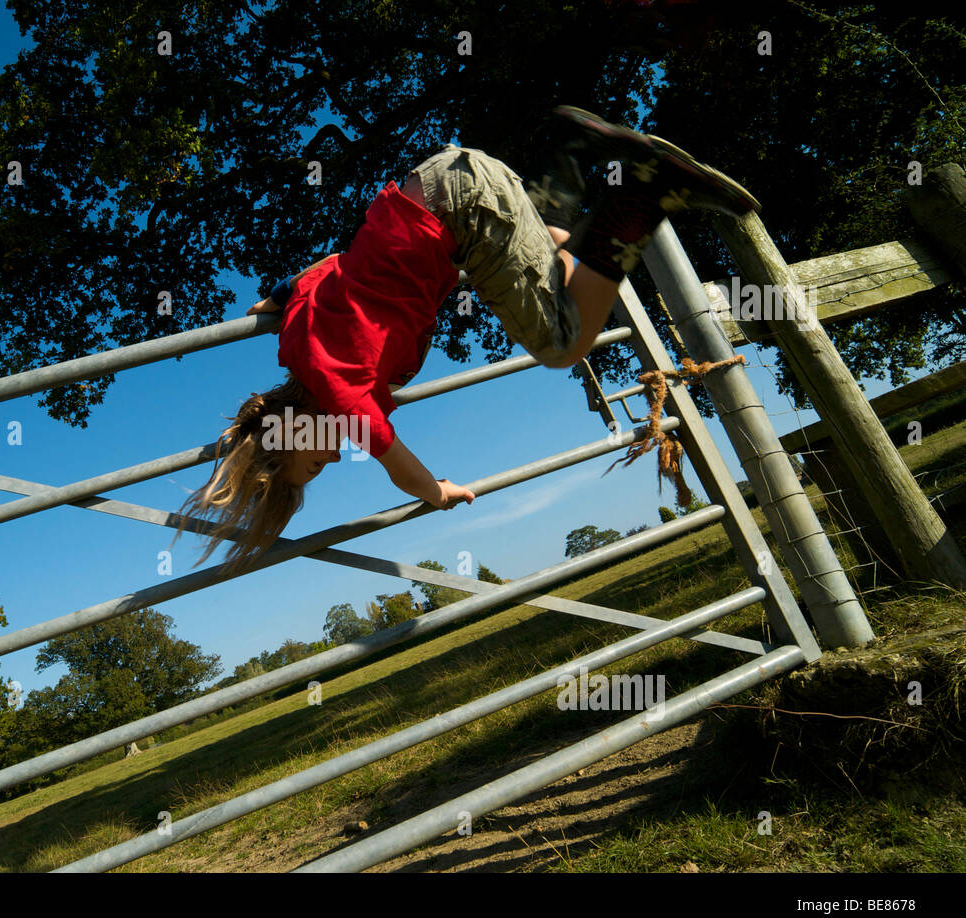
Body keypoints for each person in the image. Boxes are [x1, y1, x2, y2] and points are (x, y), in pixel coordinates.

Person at [170, 106, 758, 573]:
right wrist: (271, 299)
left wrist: (436, 492)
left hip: (464, 211)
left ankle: (643, 196)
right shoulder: (297, 341)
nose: (329, 458)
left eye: (312, 465)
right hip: (445, 183)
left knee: (562, 344)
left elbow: (399, 469)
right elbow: (322, 266)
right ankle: (572, 147)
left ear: (285, 435)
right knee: (559, 257)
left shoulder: (341, 396)